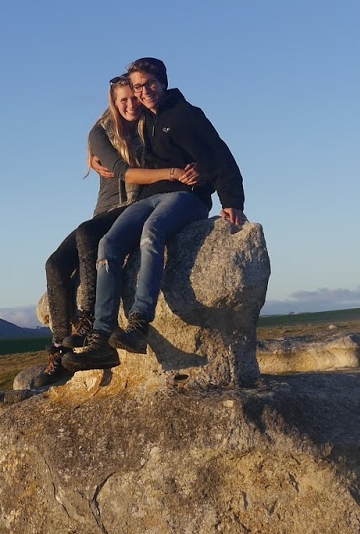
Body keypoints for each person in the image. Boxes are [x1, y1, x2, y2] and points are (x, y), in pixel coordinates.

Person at [67, 57, 246, 371]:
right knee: (108, 244)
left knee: (152, 233)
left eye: (149, 84)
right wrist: (93, 157)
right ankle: (101, 338)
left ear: (163, 81)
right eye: (138, 87)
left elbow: (219, 155)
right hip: (150, 198)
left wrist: (232, 201)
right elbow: (108, 130)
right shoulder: (143, 121)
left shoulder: (185, 115)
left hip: (186, 198)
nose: (144, 91)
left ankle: (138, 325)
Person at [31, 76, 197, 388]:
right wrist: (95, 159)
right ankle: (58, 349)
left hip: (134, 205)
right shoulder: (101, 131)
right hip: (107, 211)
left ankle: (91, 322)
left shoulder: (150, 122)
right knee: (54, 265)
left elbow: (178, 118)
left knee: (86, 235)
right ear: (113, 102)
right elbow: (121, 169)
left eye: (134, 97)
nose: (132, 104)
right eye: (124, 100)